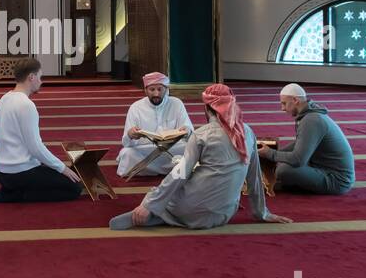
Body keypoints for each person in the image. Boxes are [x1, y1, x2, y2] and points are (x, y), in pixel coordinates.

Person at [108, 84, 292, 230]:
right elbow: (254, 177)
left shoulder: (203, 134)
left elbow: (179, 174)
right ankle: (161, 214)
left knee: (161, 194)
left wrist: (149, 203)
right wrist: (262, 212)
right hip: (224, 214)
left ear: (208, 108)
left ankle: (153, 213)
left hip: (190, 209)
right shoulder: (248, 133)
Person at [0, 57, 84, 203]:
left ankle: (12, 189)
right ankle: (16, 195)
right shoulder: (26, 105)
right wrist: (62, 169)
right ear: (31, 77)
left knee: (58, 175)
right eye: (40, 77)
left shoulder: (4, 98)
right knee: (75, 188)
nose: (41, 81)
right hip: (20, 173)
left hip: (2, 173)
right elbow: (36, 148)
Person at [257, 83, 355, 195]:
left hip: (336, 180)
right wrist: (274, 153)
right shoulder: (310, 115)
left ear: (295, 100)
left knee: (284, 170)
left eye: (284, 103)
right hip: (322, 168)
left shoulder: (311, 120)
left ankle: (290, 185)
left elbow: (298, 159)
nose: (282, 108)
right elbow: (300, 143)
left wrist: (271, 154)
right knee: (283, 164)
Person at [116, 71, 195, 177]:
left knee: (190, 149)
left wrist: (187, 130)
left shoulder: (176, 103)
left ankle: (147, 169)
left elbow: (190, 133)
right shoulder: (136, 107)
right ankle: (174, 168)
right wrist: (131, 134)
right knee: (127, 154)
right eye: (152, 89)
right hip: (145, 149)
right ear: (145, 90)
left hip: (172, 148)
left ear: (166, 90)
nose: (156, 94)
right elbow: (126, 142)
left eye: (160, 89)